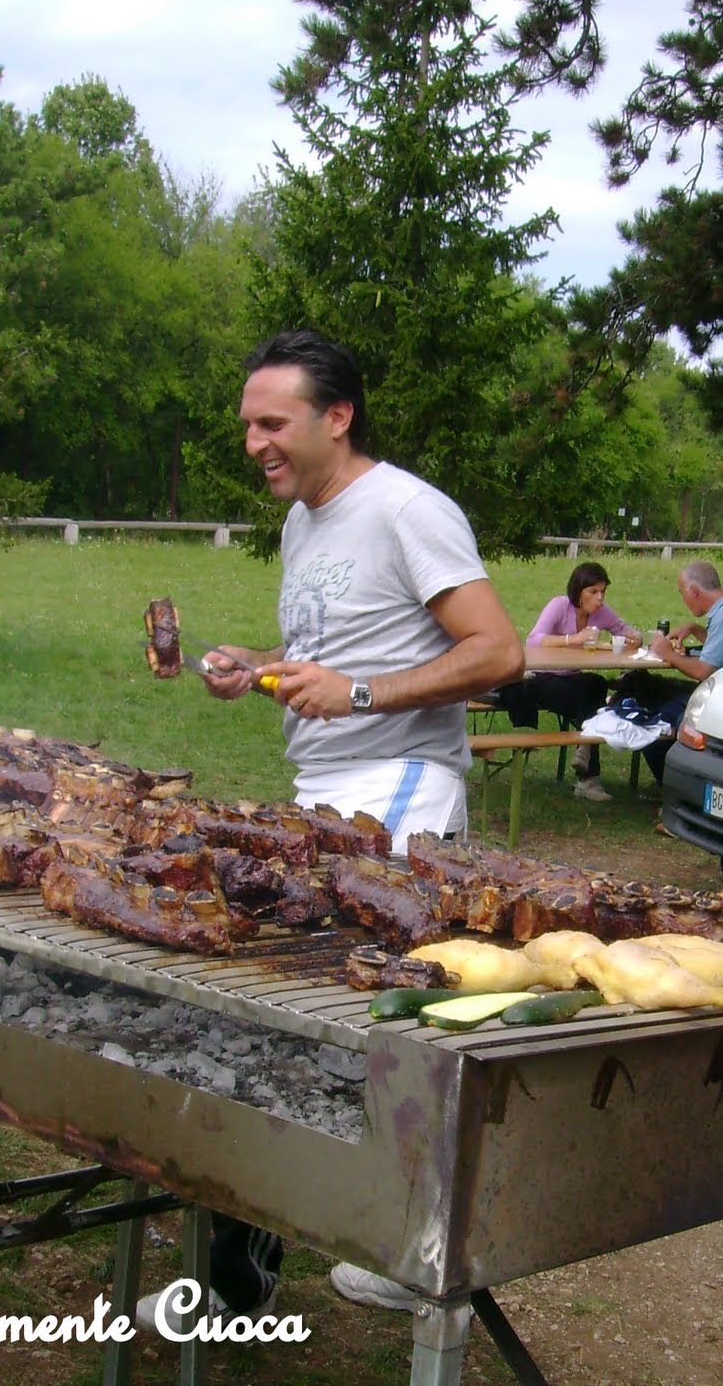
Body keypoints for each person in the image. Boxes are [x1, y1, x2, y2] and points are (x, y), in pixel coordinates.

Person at [136, 328, 524, 1333]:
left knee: (363, 1020)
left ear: (336, 416)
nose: (254, 443)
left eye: (273, 423)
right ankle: (249, 1254)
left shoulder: (405, 509)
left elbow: (497, 651)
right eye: (248, 425)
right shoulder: (302, 523)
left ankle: (414, 1252)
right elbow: (331, 649)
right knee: (294, 1006)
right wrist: (260, 666)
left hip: (399, 787)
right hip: (321, 789)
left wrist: (358, 693)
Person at [517, 563, 641, 803]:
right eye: (593, 591)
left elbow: (623, 629)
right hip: (541, 677)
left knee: (596, 683)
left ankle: (585, 754)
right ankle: (588, 771)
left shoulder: (601, 612)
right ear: (578, 591)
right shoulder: (559, 606)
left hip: (571, 677)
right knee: (591, 697)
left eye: (603, 591)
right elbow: (533, 640)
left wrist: (634, 637)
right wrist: (573, 638)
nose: (600, 598)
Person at [638, 561, 723, 799]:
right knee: (654, 689)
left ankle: (675, 792)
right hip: (715, 696)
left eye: (682, 592)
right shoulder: (719, 611)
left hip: (716, 706)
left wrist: (668, 654)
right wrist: (694, 628)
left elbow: (703, 671)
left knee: (652, 717)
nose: (682, 598)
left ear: (694, 591)